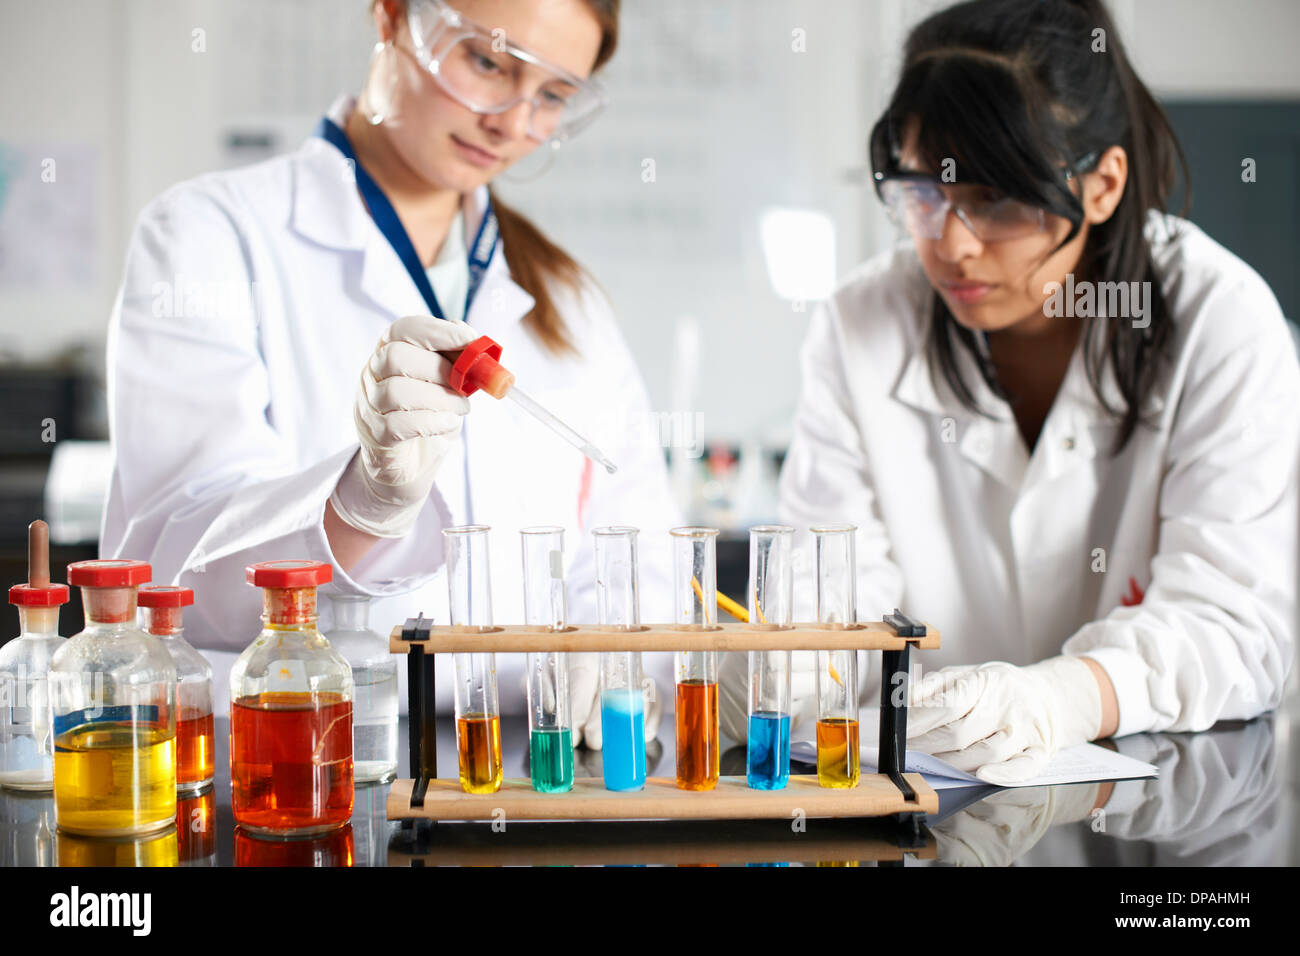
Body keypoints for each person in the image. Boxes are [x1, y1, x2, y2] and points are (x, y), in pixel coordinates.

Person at [722, 0, 1299, 784]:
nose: (952, 244)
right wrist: (780, 669)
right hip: (928, 808)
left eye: (996, 200)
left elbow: (1235, 627)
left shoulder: (1218, 319)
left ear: (1101, 184)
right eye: (924, 193)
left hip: (1162, 811)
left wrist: (1061, 699)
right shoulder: (863, 322)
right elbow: (837, 595)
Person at [102, 0, 678, 746]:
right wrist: (358, 509)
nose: (512, 121)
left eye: (552, 96)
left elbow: (641, 550)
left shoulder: (567, 300)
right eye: (490, 63)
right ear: (392, 16)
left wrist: (615, 658)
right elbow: (168, 581)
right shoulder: (212, 238)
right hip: (295, 762)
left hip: (531, 764)